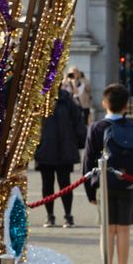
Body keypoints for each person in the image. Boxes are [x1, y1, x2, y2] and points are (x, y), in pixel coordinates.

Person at [82, 84, 133, 264]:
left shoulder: (97, 128)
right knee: (124, 229)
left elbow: (88, 161)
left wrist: (90, 192)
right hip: (127, 182)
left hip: (105, 183)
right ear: (126, 106)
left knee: (108, 230)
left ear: (104, 103)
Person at [35, 88, 85, 228]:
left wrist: (80, 140)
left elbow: (78, 120)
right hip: (45, 147)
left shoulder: (66, 99)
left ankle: (68, 215)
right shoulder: (39, 97)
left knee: (65, 184)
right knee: (47, 184)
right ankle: (50, 215)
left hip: (64, 147)